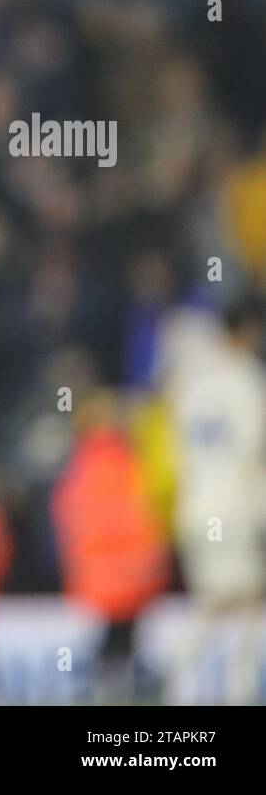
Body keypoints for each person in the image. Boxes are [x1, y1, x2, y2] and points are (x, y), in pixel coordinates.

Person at [165, 296, 266, 703]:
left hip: (195, 507)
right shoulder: (246, 380)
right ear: (246, 332)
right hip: (234, 507)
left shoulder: (191, 384)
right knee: (231, 601)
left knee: (235, 601)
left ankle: (233, 690)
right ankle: (178, 674)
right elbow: (254, 452)